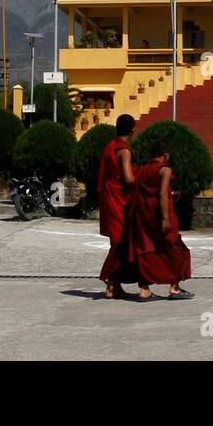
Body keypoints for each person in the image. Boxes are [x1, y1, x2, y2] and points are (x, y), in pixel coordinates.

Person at [112, 139, 193, 301]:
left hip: (143, 217)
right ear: (165, 155)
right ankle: (174, 287)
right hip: (158, 215)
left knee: (145, 251)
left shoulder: (142, 170)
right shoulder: (165, 169)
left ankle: (144, 290)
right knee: (176, 249)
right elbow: (162, 193)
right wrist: (165, 218)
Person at [96, 114, 136, 299]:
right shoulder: (124, 150)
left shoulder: (109, 147)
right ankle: (111, 282)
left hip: (108, 197)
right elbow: (128, 178)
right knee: (120, 242)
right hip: (119, 199)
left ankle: (115, 285)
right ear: (133, 131)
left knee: (117, 242)